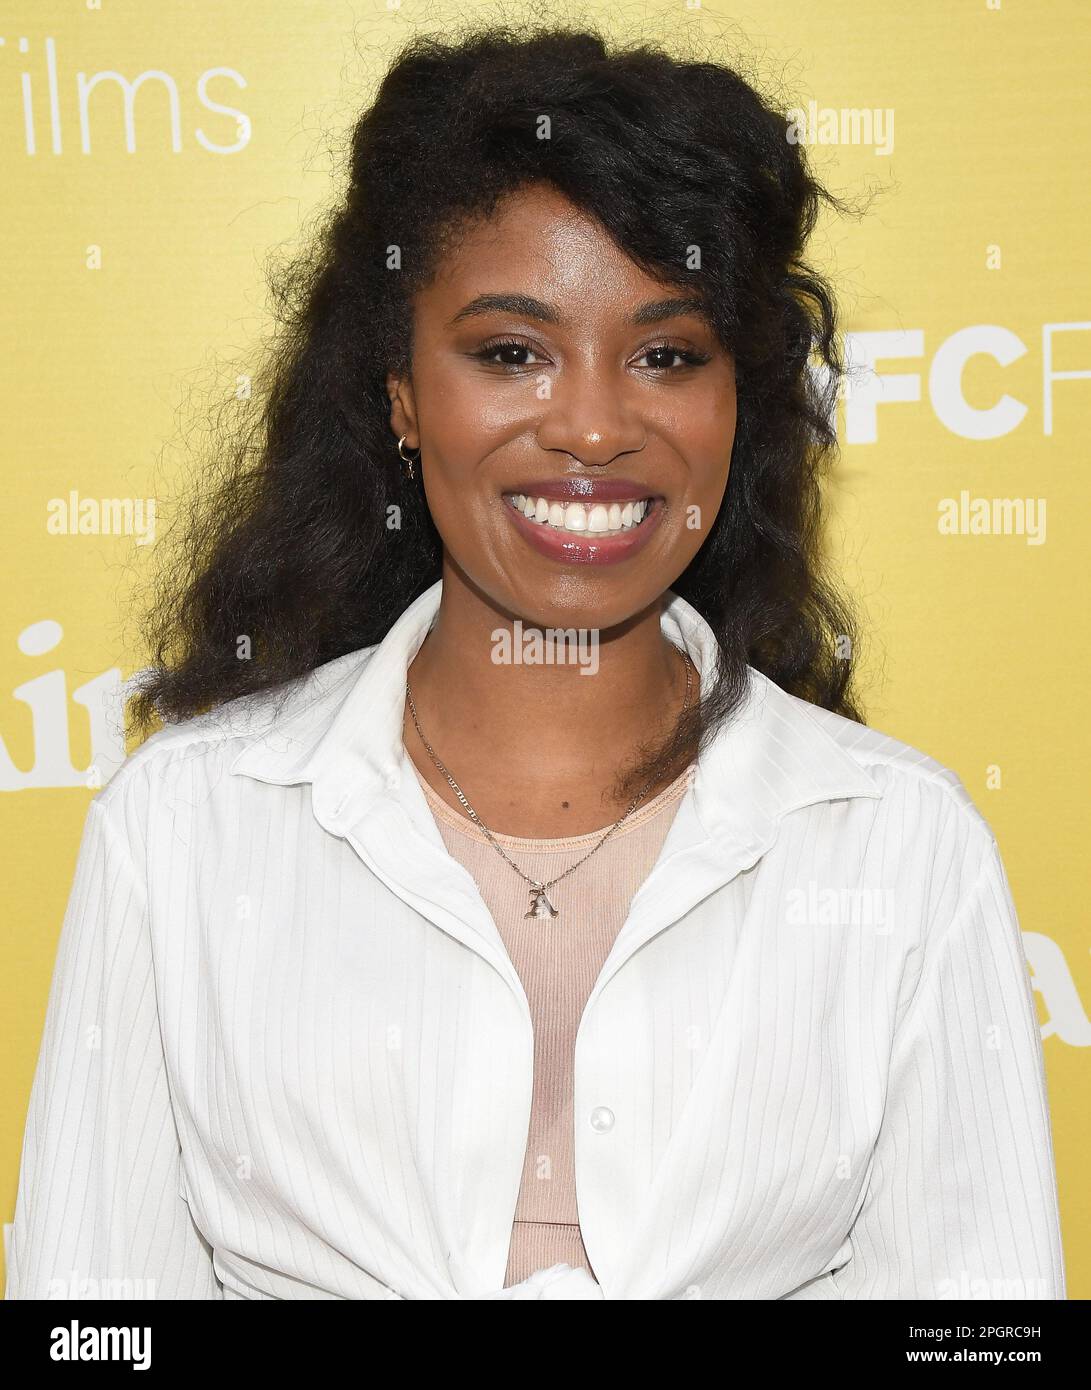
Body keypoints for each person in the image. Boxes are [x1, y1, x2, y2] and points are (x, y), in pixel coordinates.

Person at [6, 23, 1065, 1300]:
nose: (591, 424)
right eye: (511, 351)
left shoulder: (897, 845)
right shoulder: (183, 834)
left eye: (666, 354)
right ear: (400, 389)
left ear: (741, 403)